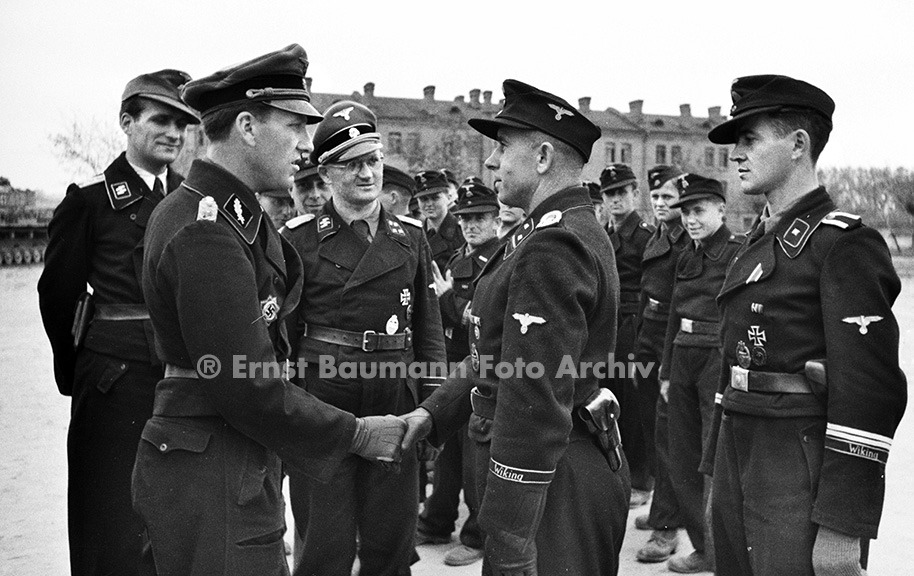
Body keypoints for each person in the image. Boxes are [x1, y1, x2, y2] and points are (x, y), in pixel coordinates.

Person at [133, 45, 407, 576]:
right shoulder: (204, 226)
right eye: (295, 126)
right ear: (247, 127)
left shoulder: (234, 217)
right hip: (213, 465)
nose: (307, 145)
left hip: (228, 456)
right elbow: (249, 383)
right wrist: (356, 433)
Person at [401, 79, 631, 576]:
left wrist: (509, 532)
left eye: (503, 148)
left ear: (544, 156)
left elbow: (535, 395)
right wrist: (433, 415)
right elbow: (497, 355)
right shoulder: (551, 230)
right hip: (553, 476)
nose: (491, 162)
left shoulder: (554, 245)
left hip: (552, 485)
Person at [705, 75, 907, 576]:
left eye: (750, 139)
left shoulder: (842, 244)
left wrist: (843, 525)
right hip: (740, 451)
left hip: (797, 464)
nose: (736, 155)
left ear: (799, 144)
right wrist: (716, 472)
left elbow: (870, 393)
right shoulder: (757, 242)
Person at [36, 68, 199, 576]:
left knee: (176, 514)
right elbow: (57, 295)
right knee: (108, 518)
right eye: (160, 119)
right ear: (127, 122)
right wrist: (78, 368)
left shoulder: (194, 202)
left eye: (181, 123)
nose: (173, 133)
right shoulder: (88, 202)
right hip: (114, 382)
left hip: (180, 379)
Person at [282, 99, 447, 576]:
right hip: (325, 396)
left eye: (372, 160)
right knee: (324, 542)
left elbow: (428, 331)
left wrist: (432, 404)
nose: (366, 174)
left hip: (395, 394)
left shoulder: (410, 236)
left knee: (391, 539)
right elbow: (285, 340)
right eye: (351, 165)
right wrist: (291, 414)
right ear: (328, 173)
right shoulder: (299, 239)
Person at [417, 178, 502, 567]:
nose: (471, 225)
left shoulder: (500, 258)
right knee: (450, 450)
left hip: (485, 369)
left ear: (496, 218)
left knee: (476, 457)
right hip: (460, 362)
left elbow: (476, 315)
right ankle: (437, 522)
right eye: (466, 218)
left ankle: (477, 536)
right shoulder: (458, 259)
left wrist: (449, 299)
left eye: (480, 217)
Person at [658, 173, 741, 573]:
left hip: (716, 359)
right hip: (684, 358)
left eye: (698, 210)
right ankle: (702, 545)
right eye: (686, 212)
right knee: (682, 456)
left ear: (721, 209)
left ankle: (719, 549)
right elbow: (674, 314)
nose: (690, 219)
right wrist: (667, 372)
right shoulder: (686, 255)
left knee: (713, 458)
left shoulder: (739, 252)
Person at [633, 165, 689, 564]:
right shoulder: (659, 234)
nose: (661, 203)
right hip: (650, 334)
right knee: (656, 428)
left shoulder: (689, 238)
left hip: (676, 339)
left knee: (672, 434)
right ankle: (664, 511)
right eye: (656, 198)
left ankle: (668, 527)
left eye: (668, 197)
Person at [600, 163, 655, 508]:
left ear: (635, 194)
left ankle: (641, 480)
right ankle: (614, 470)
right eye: (610, 194)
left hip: (635, 325)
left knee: (633, 403)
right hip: (607, 323)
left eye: (622, 192)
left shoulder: (646, 236)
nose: (616, 199)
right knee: (608, 396)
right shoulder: (603, 234)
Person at [415, 169, 464, 270]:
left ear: (448, 197)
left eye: (435, 198)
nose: (429, 204)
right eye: (423, 199)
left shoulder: (461, 232)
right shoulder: (415, 233)